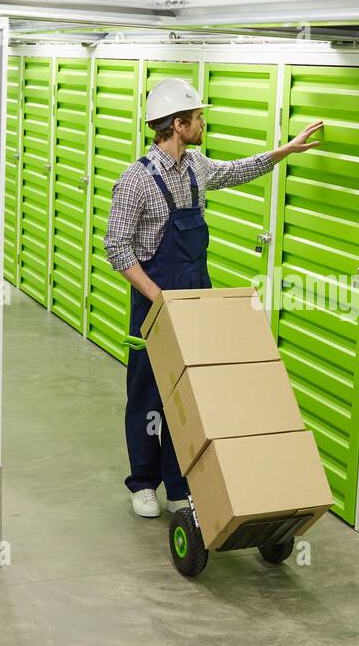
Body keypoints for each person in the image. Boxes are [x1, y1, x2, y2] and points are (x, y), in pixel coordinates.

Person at [104, 77, 323, 517]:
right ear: (178, 124)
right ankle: (143, 482)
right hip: (155, 302)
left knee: (190, 395)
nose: (204, 122)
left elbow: (237, 170)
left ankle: (178, 481)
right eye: (198, 117)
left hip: (196, 298)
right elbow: (117, 248)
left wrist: (286, 150)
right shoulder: (135, 181)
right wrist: (158, 297)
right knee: (148, 393)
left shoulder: (197, 167)